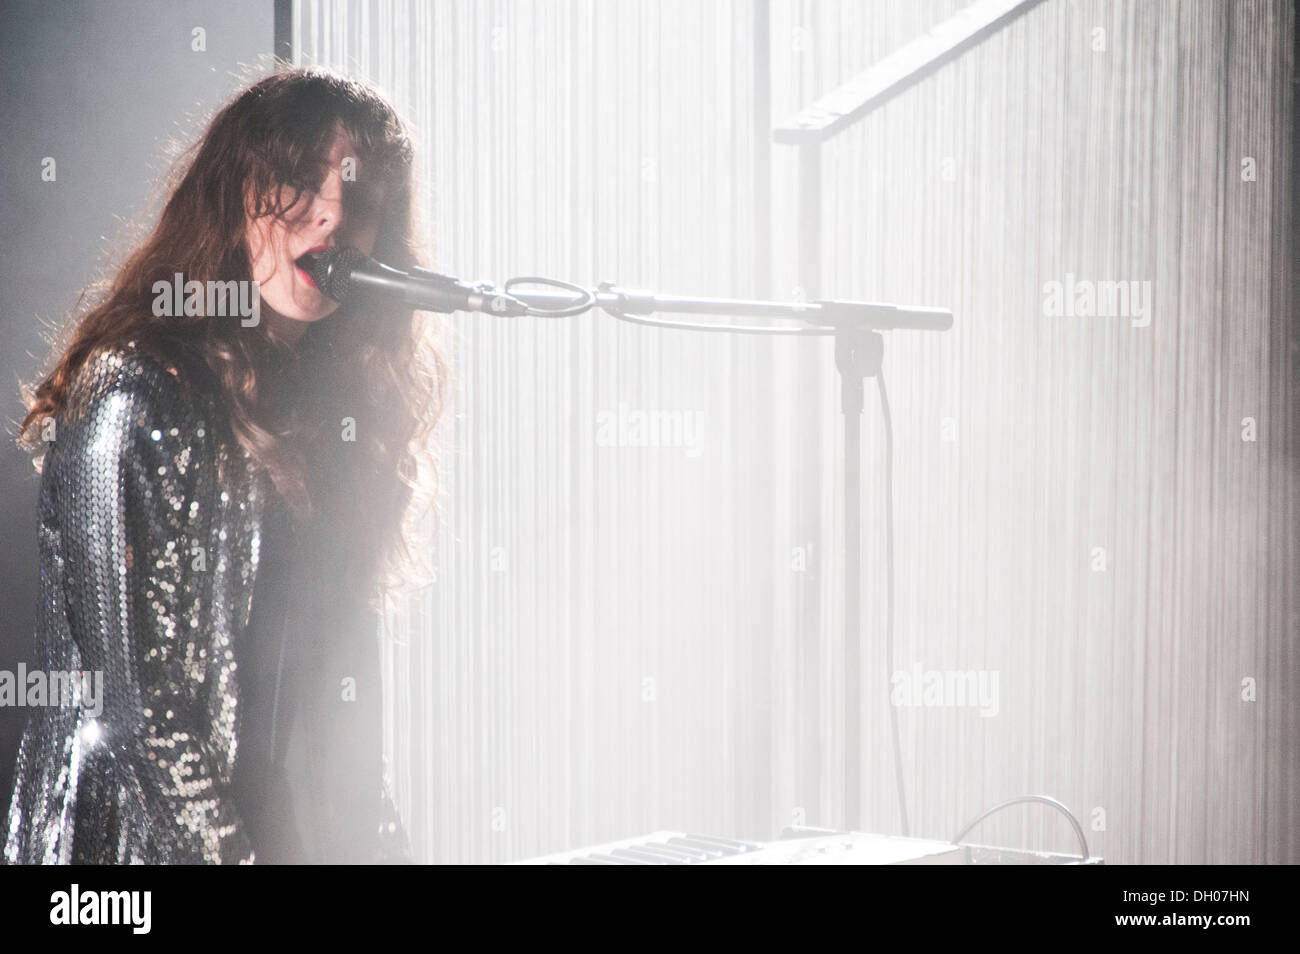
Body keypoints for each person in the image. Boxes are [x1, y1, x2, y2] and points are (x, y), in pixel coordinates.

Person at [2, 67, 446, 864]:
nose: (332, 214)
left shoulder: (338, 419)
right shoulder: (133, 392)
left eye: (360, 195)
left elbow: (337, 721)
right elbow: (139, 716)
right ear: (233, 194)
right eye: (299, 179)